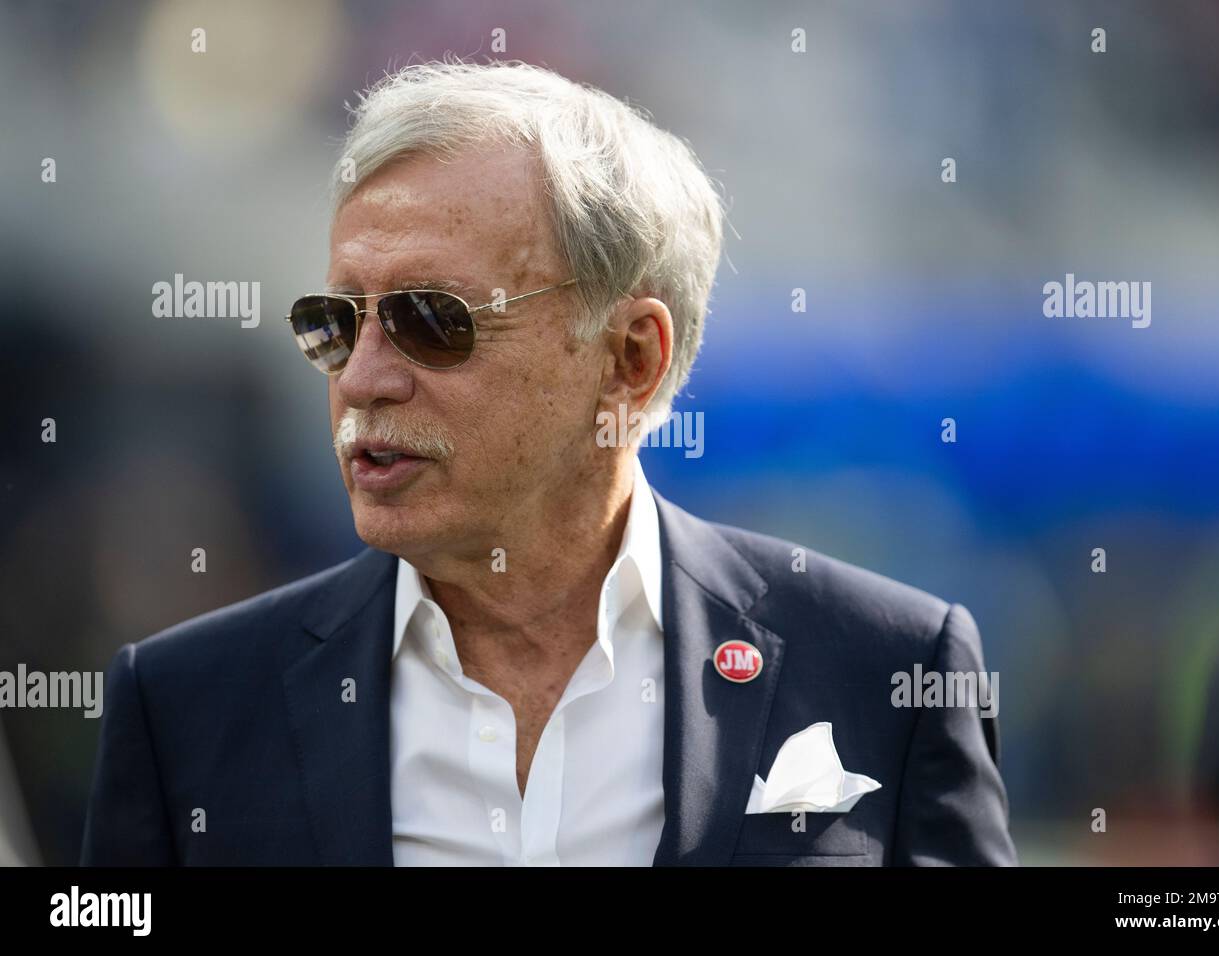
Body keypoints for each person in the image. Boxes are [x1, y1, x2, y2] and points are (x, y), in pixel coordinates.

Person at [82, 58, 1015, 866]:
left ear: (629, 360)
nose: (362, 377)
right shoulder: (184, 708)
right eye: (334, 323)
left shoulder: (890, 667)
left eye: (430, 321)